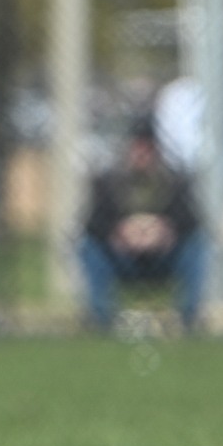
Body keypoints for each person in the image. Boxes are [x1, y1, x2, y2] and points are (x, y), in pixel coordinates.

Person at [79, 118, 205, 332]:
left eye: (148, 148)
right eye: (137, 147)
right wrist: (119, 232)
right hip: (122, 257)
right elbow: (92, 224)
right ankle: (101, 320)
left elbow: (191, 222)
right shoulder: (108, 182)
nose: (142, 154)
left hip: (164, 257)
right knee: (89, 247)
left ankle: (188, 319)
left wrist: (164, 231)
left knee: (198, 245)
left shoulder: (174, 182)